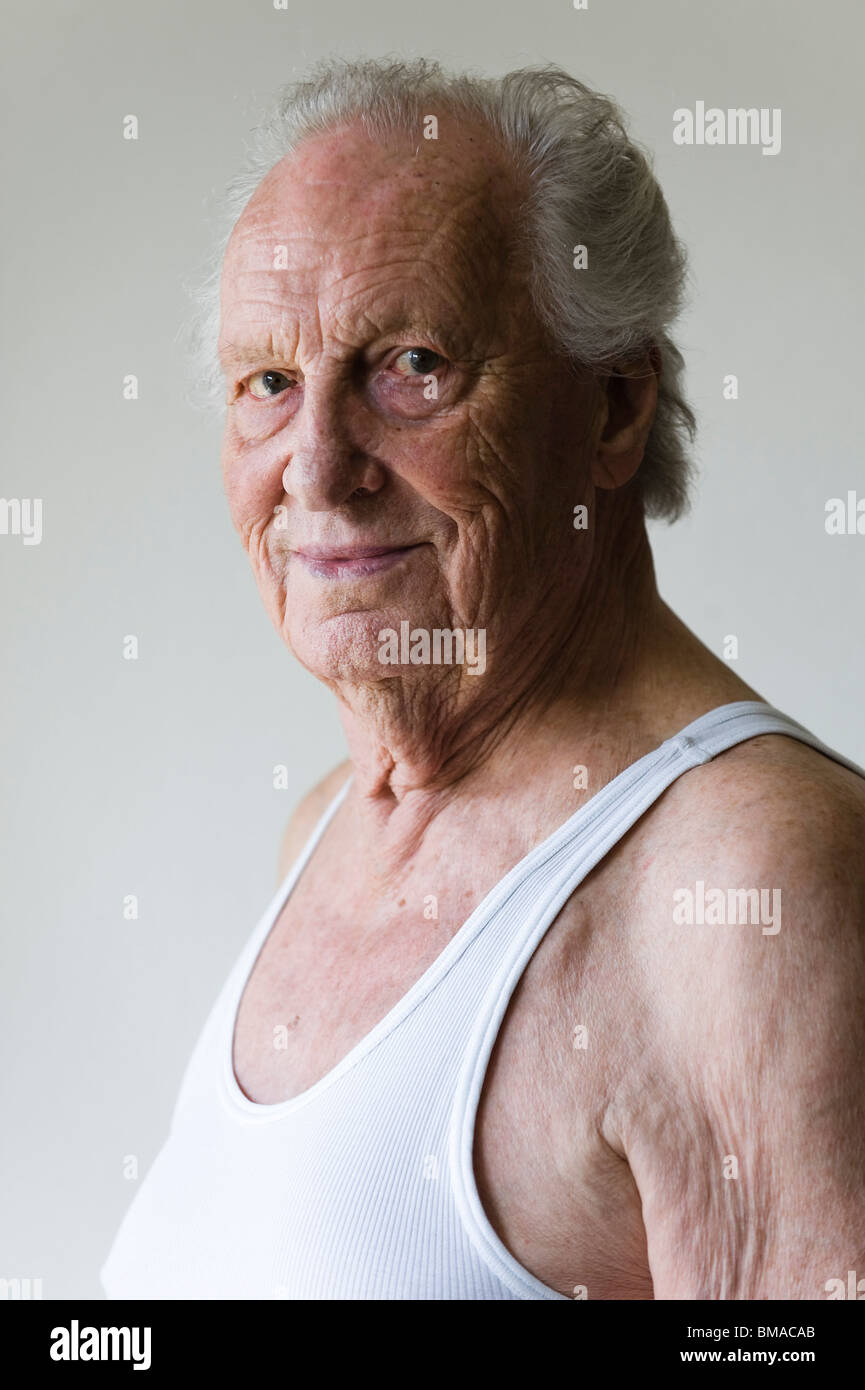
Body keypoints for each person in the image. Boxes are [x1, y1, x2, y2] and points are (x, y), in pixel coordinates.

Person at [101, 57, 865, 1300]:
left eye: (409, 365)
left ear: (613, 409)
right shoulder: (328, 826)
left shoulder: (753, 887)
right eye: (270, 385)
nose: (315, 466)